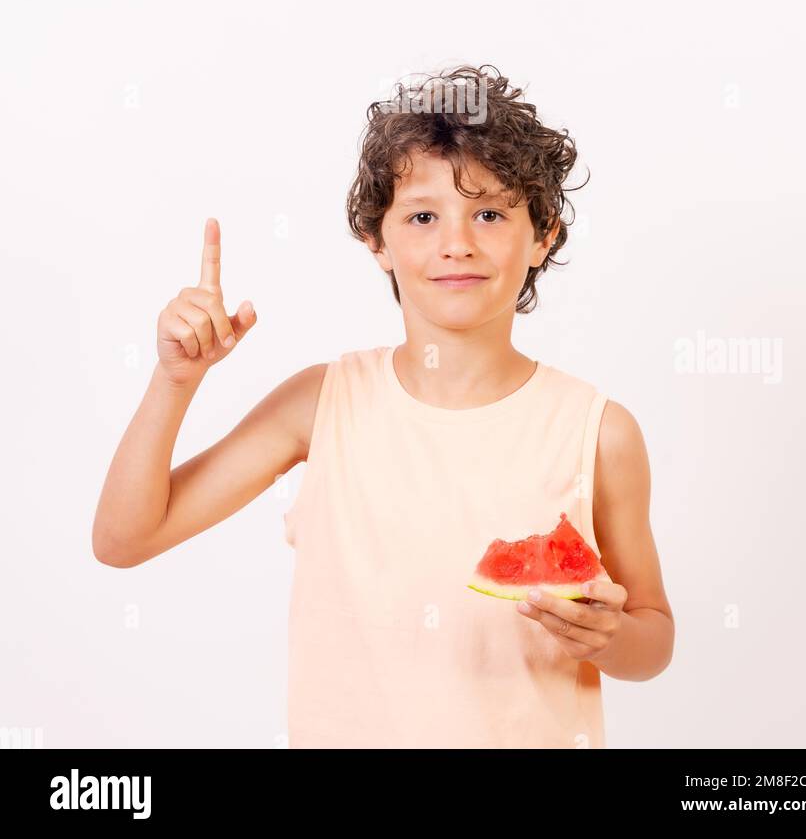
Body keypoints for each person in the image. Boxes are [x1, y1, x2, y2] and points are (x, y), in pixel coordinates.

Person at [92, 63, 674, 748]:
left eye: (489, 213)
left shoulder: (598, 431)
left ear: (543, 235)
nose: (456, 242)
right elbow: (123, 540)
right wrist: (176, 381)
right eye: (423, 216)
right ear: (377, 241)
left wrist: (609, 637)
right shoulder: (320, 404)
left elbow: (652, 637)